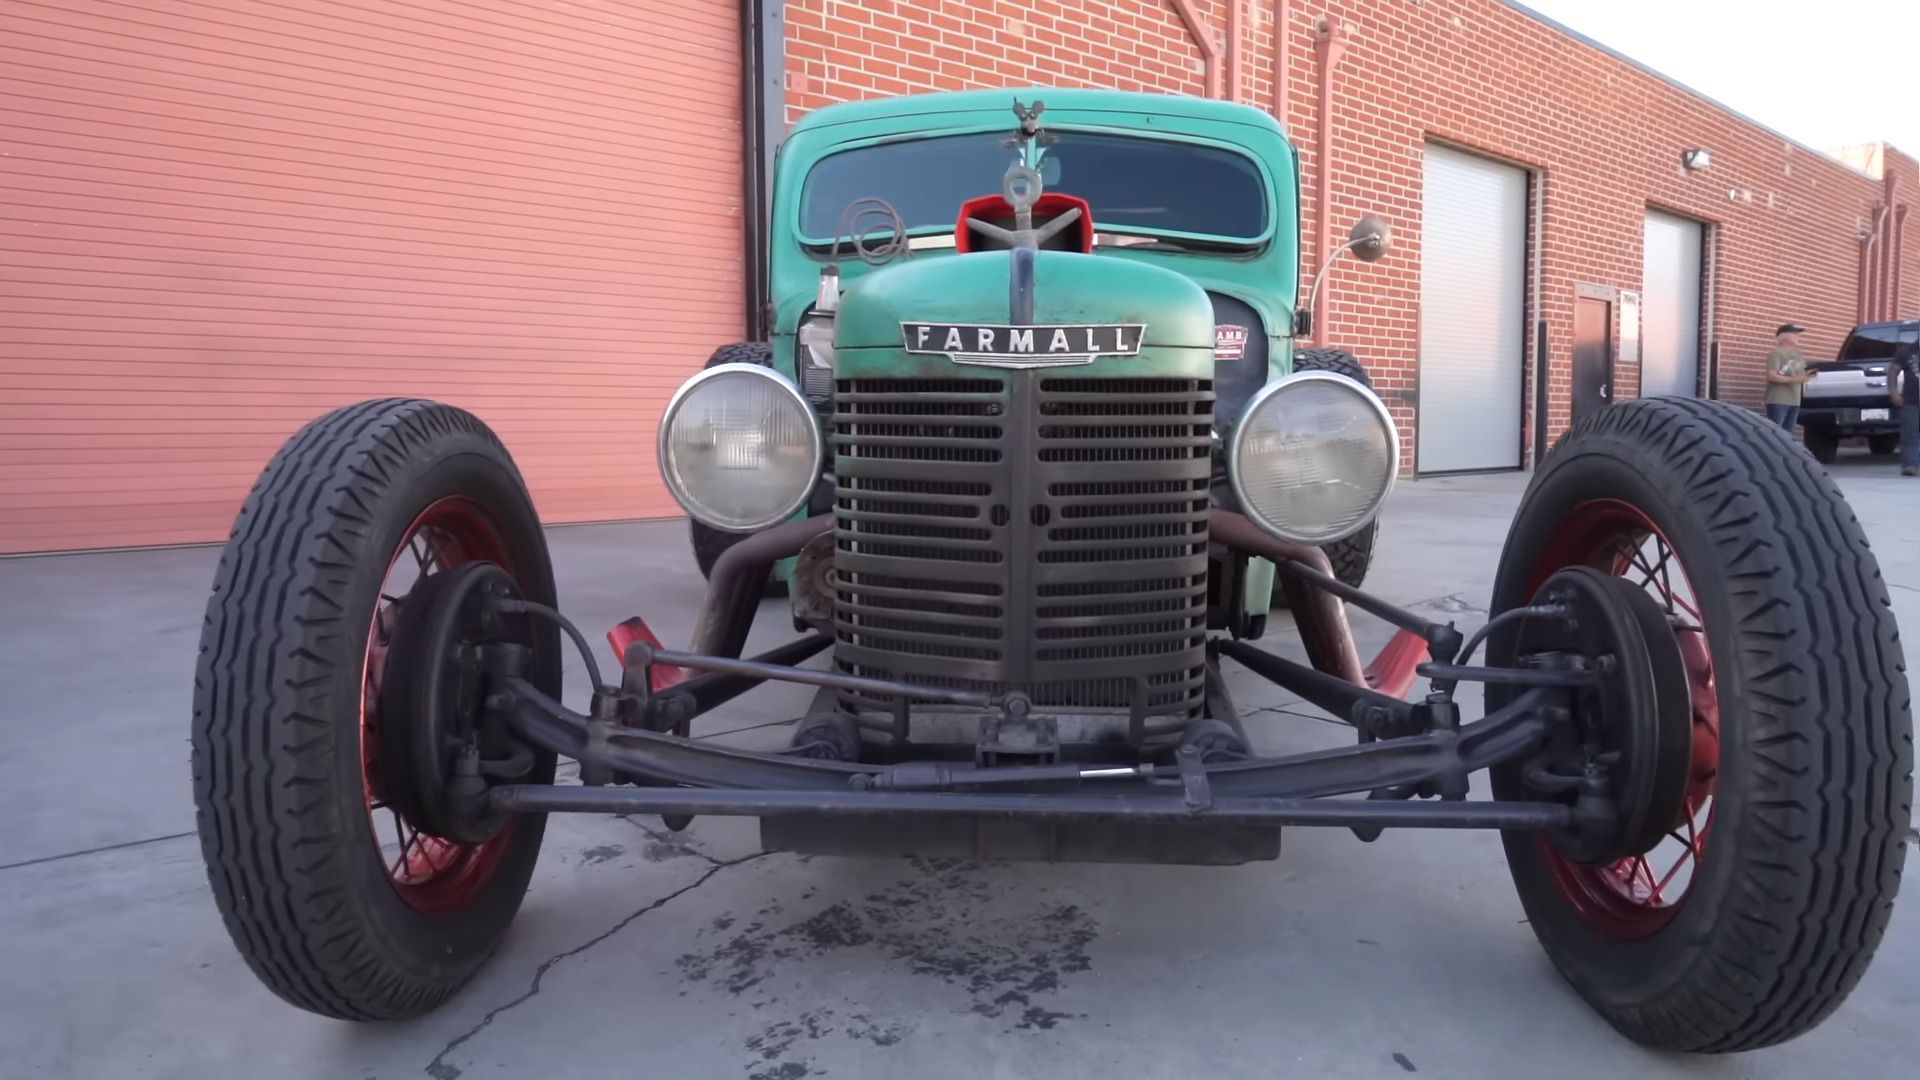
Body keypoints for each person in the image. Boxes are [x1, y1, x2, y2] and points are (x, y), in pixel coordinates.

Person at [1763, 322, 1816, 432]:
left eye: (1798, 334)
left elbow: (1799, 372)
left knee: (1789, 434)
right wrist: (1796, 380)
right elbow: (1772, 376)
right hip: (1778, 400)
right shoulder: (1776, 353)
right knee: (1776, 432)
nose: (1797, 336)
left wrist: (1807, 376)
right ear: (1782, 336)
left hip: (1795, 400)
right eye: (1794, 334)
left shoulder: (1798, 354)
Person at [1890, 335, 1920, 477]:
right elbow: (1893, 372)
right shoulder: (1906, 351)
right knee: (1910, 434)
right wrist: (1894, 393)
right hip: (1912, 401)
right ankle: (1911, 465)